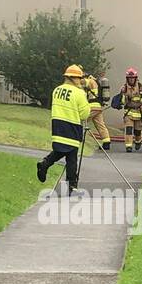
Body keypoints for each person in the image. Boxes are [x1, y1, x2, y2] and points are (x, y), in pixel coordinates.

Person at [37, 64, 90, 194]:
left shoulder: (56, 90)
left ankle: (44, 164)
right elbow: (84, 114)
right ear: (74, 78)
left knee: (59, 151)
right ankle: (71, 186)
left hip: (58, 127)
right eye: (79, 78)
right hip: (72, 127)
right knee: (72, 158)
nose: (80, 81)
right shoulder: (79, 93)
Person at [120, 68, 142, 151]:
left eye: (132, 78)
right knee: (129, 130)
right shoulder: (124, 88)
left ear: (135, 78)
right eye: (129, 78)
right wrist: (124, 95)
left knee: (137, 131)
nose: (131, 80)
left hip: (139, 113)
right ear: (127, 79)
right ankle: (128, 146)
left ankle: (138, 141)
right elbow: (122, 102)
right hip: (129, 113)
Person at [82, 70, 111, 151]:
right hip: (98, 107)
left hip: (92, 106)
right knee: (100, 125)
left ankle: (79, 138)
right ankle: (106, 143)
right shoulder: (96, 82)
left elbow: (83, 82)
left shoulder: (90, 81)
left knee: (80, 120)